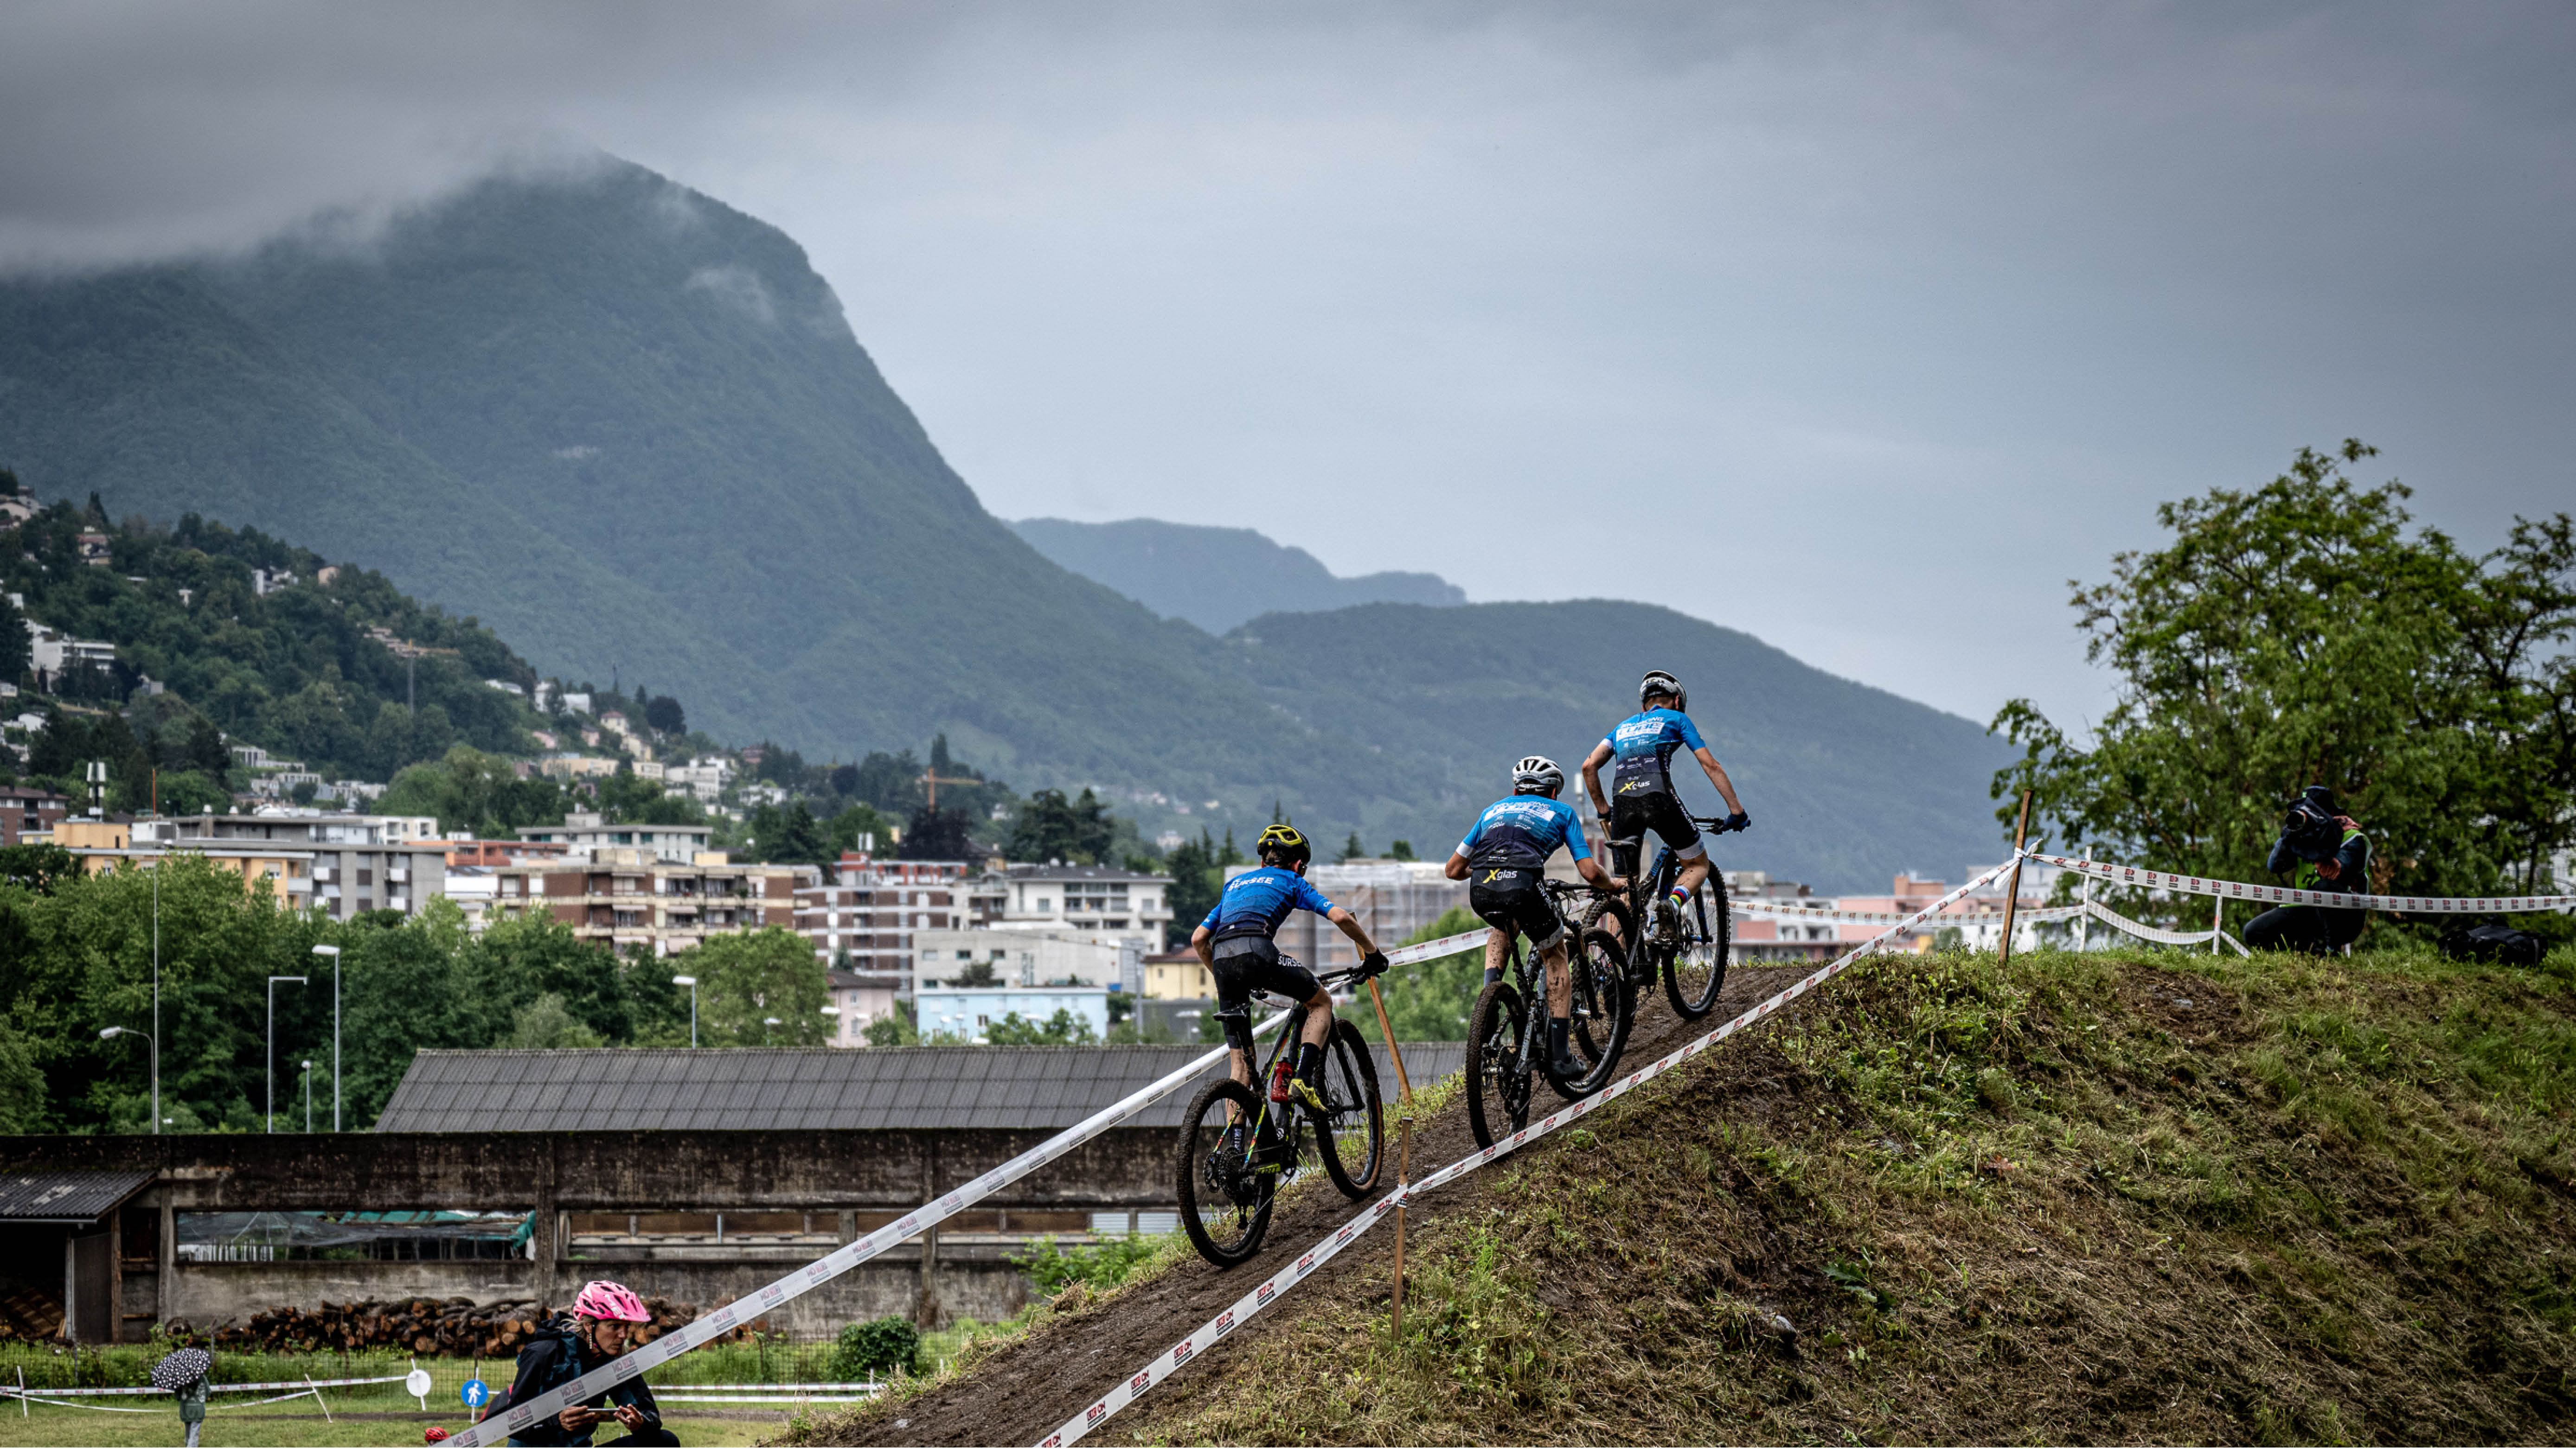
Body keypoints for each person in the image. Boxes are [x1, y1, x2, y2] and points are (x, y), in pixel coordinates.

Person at [1444, 755, 1626, 1080]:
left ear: (1516, 790)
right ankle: (1560, 1056)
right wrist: (1611, 884)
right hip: (1525, 884)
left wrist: (1492, 871)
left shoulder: (1492, 811)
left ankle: (1490, 1002)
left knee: (1503, 925)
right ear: (1554, 792)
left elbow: (1453, 869)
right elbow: (1587, 870)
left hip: (1481, 888)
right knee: (1556, 953)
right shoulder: (1563, 812)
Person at [1190, 823, 1389, 1116]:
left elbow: (1198, 939)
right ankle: (1303, 1081)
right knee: (1320, 1002)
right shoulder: (1292, 881)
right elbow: (1341, 917)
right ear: (1298, 865)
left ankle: (1234, 1151)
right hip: (1259, 951)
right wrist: (1373, 953)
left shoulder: (1234, 884)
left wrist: (1226, 980)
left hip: (1221, 959)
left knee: (1241, 1068)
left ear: (1262, 862)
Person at [1581, 669, 1749, 942]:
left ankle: (1613, 968)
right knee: (1697, 864)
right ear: (1677, 701)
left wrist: (1604, 813)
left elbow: (1589, 766)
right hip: (1659, 798)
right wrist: (1737, 812)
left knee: (1625, 886)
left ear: (1644, 704)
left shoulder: (1621, 728)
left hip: (1622, 803)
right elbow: (1711, 765)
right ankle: (1671, 905)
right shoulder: (1677, 719)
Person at [480, 1280, 675, 1448]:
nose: (623, 1336)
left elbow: (651, 1416)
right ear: (590, 1326)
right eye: (614, 1327)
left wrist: (640, 1423)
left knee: (665, 1441)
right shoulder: (543, 1353)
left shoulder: (615, 1362)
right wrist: (556, 1421)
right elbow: (511, 1424)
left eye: (626, 1327)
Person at [2244, 785, 2371, 954]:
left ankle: (2332, 949)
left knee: (2324, 888)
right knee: (2253, 932)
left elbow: (2334, 872)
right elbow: (2274, 865)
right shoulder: (2300, 838)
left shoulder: (2354, 838)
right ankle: (2311, 950)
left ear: (2330, 814)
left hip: (2346, 916)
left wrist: (2327, 836)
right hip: (2306, 909)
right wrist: (2288, 834)